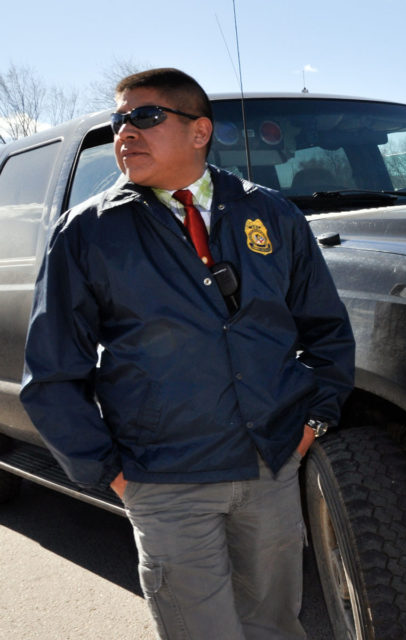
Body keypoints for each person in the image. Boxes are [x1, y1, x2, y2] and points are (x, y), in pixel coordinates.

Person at [20, 68, 355, 639]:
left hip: (269, 468)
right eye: (117, 121)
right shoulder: (88, 233)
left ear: (199, 131)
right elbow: (52, 373)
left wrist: (312, 423)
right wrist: (114, 475)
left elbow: (325, 331)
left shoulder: (271, 216)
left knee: (275, 625)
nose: (125, 132)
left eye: (144, 117)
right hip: (165, 482)